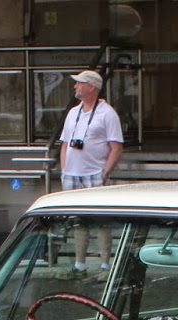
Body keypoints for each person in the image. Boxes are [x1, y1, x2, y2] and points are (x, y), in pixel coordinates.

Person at [58, 70, 123, 273]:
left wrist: (104, 172)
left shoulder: (107, 113)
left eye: (79, 83)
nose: (75, 86)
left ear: (91, 87)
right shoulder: (73, 113)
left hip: (95, 174)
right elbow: (65, 144)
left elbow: (116, 147)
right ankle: (79, 264)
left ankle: (105, 264)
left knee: (101, 222)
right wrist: (64, 169)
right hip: (72, 174)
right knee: (78, 222)